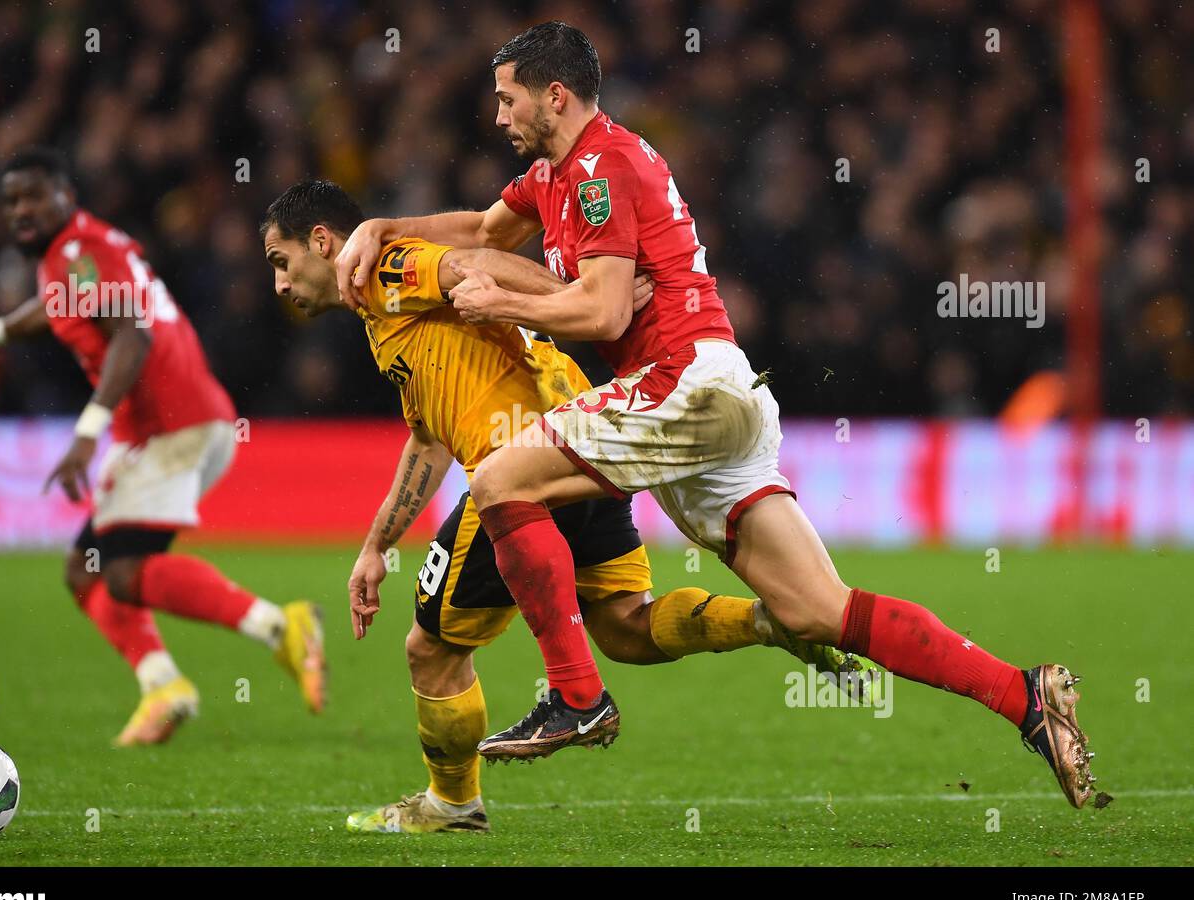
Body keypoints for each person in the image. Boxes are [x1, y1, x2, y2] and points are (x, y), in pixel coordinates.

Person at [332, 23, 1096, 808]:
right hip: (718, 396)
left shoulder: (602, 166)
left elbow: (597, 313)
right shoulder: (552, 177)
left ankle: (576, 697)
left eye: (507, 98)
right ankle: (1024, 695)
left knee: (497, 481)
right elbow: (485, 230)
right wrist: (384, 227)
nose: (498, 116)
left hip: (683, 380)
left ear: (553, 96)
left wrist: (506, 298)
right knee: (817, 610)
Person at [260, 179, 873, 832]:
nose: (279, 284)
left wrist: (581, 300)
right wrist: (377, 546)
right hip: (580, 444)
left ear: (321, 242)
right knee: (623, 627)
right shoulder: (384, 320)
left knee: (430, 651)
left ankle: (453, 802)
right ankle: (771, 621)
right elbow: (428, 438)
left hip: (523, 469)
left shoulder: (386, 266)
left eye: (280, 261)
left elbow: (476, 263)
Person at [0, 147, 325, 746]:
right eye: (11, 200)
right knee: (85, 570)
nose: (21, 210)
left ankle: (281, 626)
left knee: (120, 571)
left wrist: (84, 435)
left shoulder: (79, 251)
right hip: (168, 425)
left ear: (66, 194)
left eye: (34, 196)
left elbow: (131, 338)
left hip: (171, 425)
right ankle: (163, 684)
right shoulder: (77, 254)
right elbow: (56, 308)